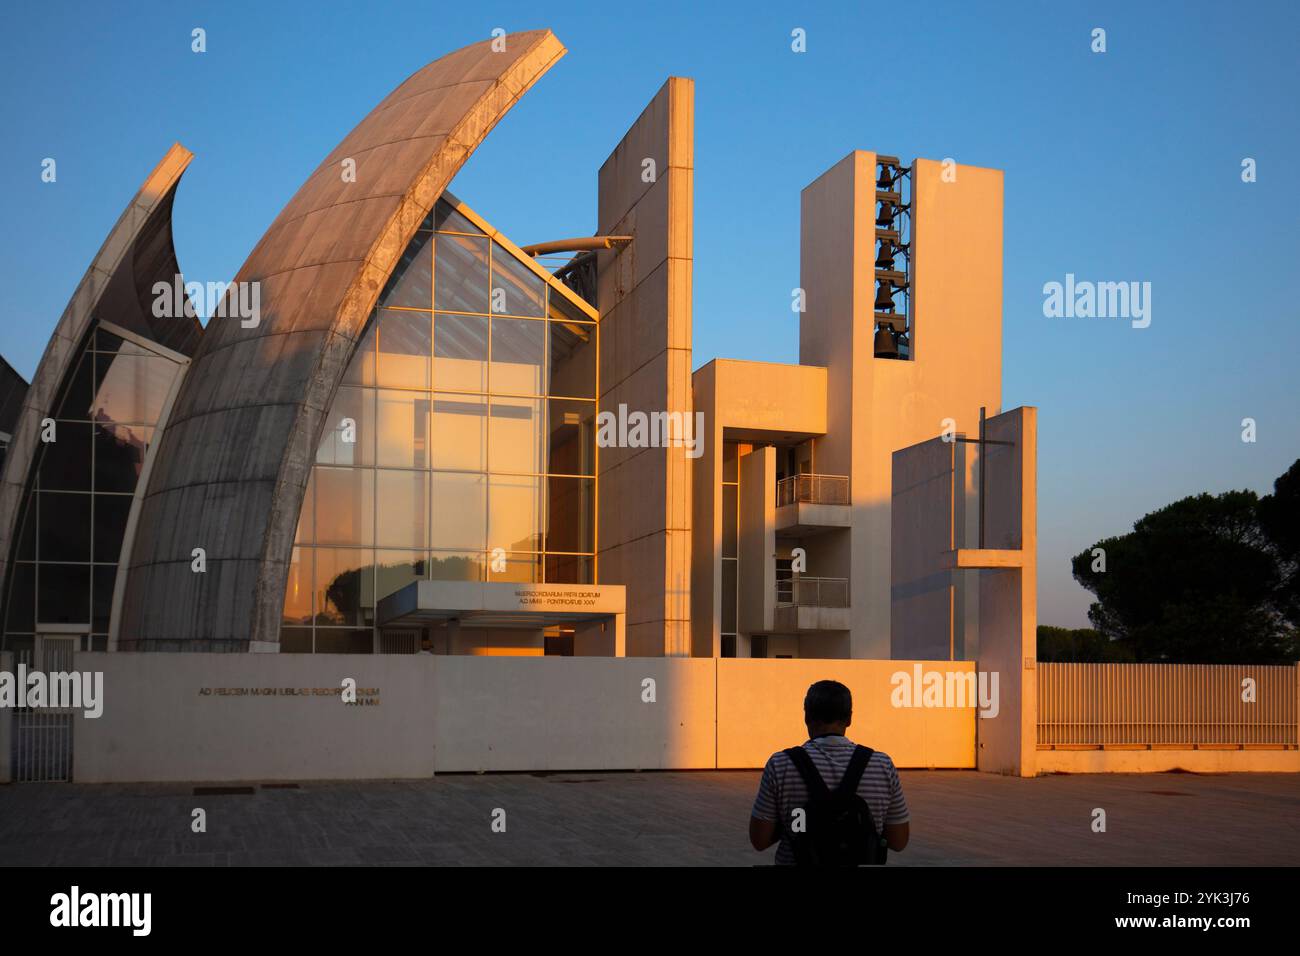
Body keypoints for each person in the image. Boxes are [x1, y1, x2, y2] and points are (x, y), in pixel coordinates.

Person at [749, 679, 910, 864]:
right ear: (849, 718)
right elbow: (899, 841)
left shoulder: (781, 764)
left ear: (806, 717)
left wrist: (795, 823)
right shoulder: (882, 764)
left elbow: (759, 840)